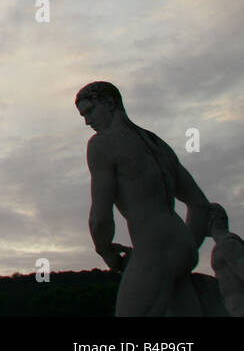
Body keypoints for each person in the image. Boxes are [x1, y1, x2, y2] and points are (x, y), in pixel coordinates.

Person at [76, 81, 211, 316]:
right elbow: (200, 205)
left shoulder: (102, 144)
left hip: (152, 247)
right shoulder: (158, 144)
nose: (87, 122)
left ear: (109, 103)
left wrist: (105, 251)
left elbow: (100, 216)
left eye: (89, 111)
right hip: (183, 243)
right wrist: (185, 246)